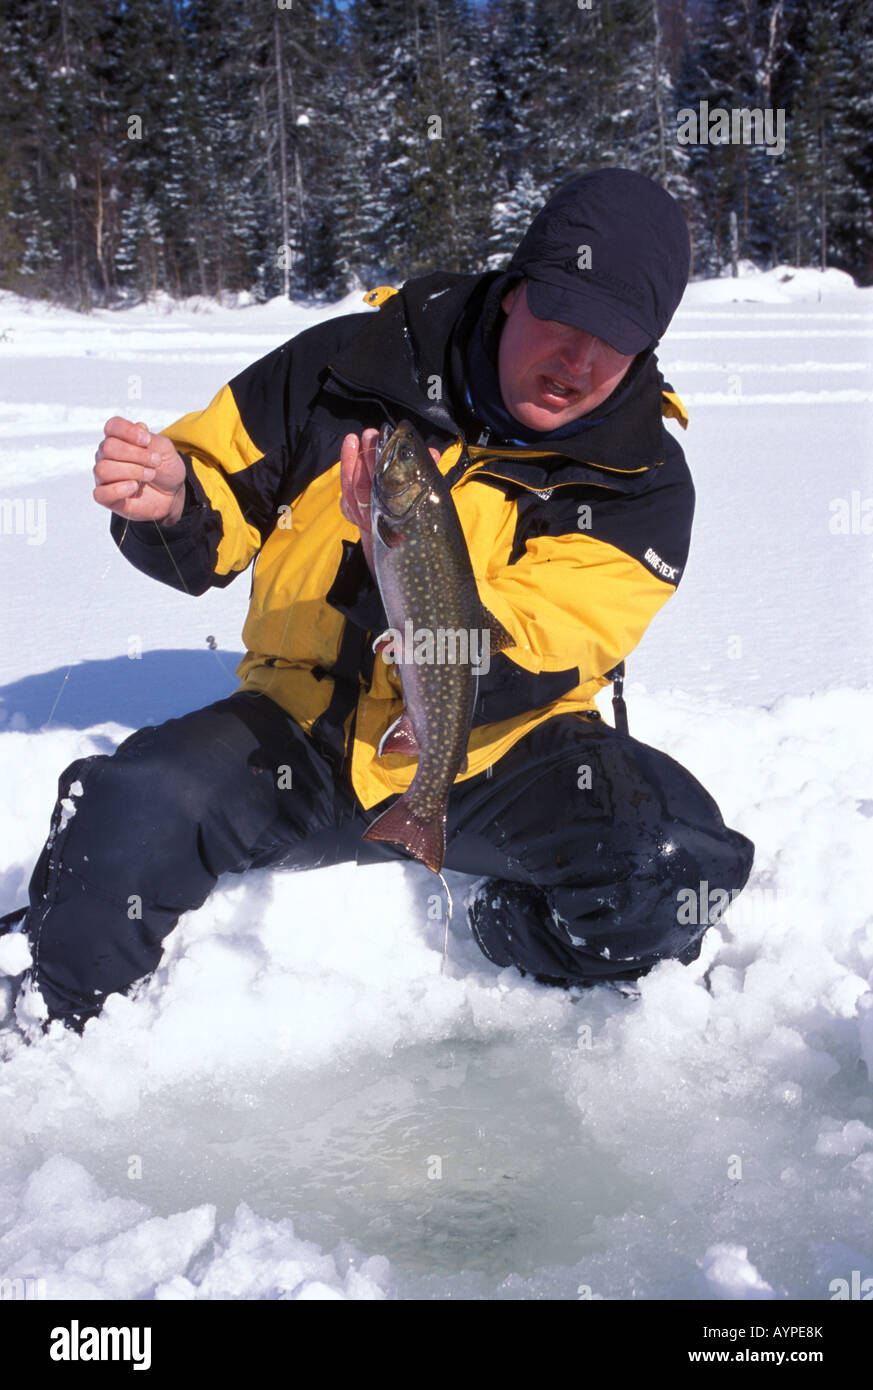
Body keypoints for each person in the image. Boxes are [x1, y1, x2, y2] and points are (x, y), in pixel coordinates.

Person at [1, 167, 754, 1036]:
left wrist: (385, 561)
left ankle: (502, 933)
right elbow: (219, 495)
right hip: (297, 727)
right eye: (562, 318)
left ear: (647, 345)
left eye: (612, 339)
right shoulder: (346, 364)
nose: (576, 362)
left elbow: (532, 651)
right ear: (514, 291)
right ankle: (50, 1039)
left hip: (493, 752)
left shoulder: (640, 482)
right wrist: (174, 502)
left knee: (675, 863)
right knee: (129, 808)